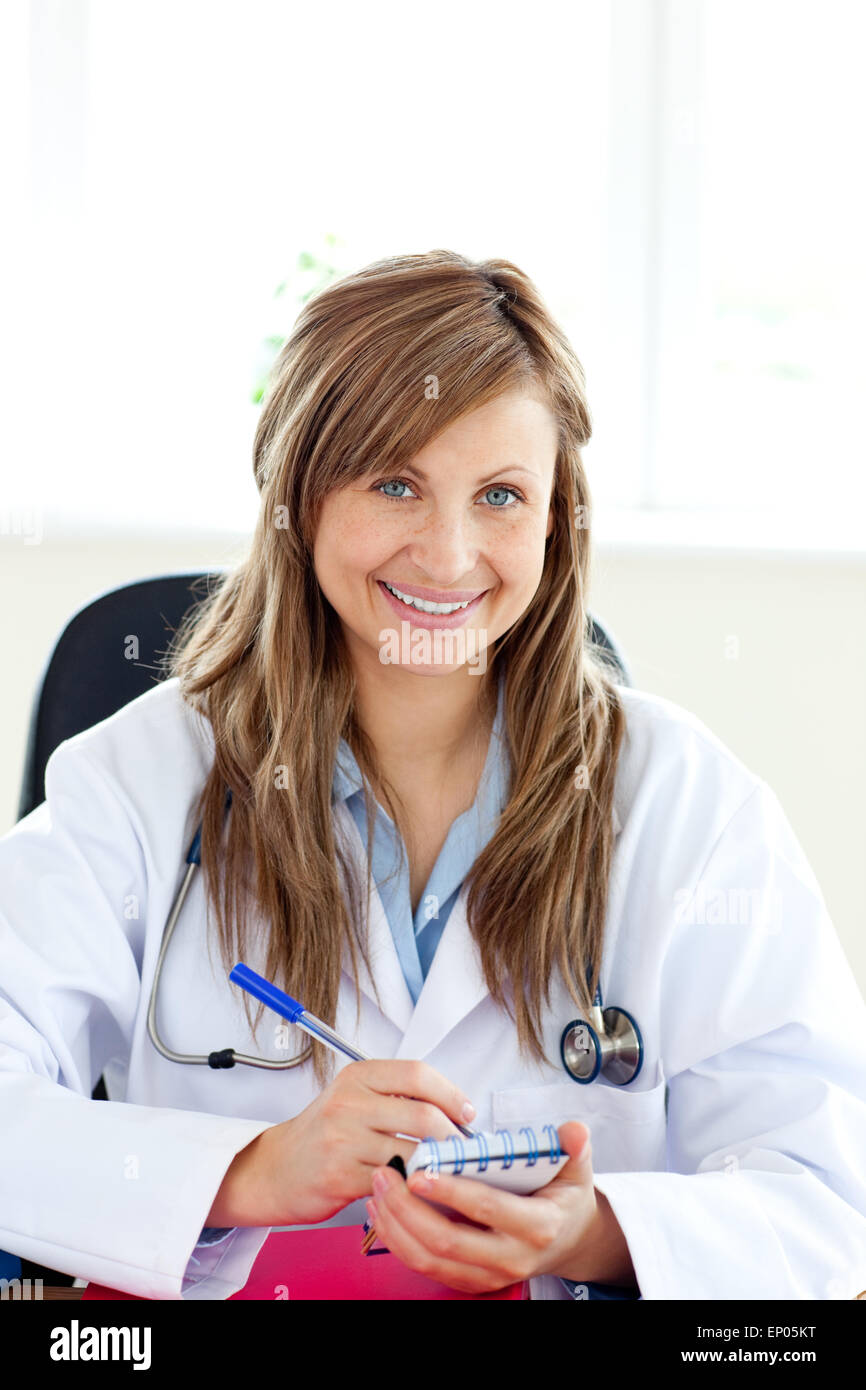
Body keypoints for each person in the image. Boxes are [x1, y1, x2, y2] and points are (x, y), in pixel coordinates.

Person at [1, 250, 865, 1301]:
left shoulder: (688, 804)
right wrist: (248, 1172)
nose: (448, 555)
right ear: (300, 495)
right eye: (395, 483)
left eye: (499, 494)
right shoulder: (144, 778)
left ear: (554, 517)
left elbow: (823, 1200)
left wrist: (584, 1233)